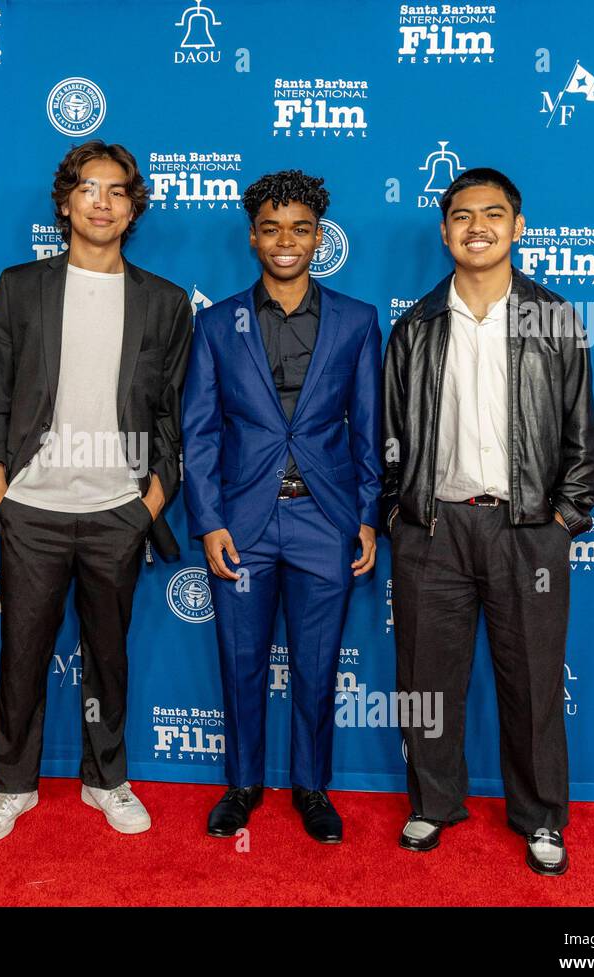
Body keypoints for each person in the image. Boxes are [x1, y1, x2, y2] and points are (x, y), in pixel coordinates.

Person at [0, 140, 192, 842]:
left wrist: (148, 503)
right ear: (65, 202)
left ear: (132, 208)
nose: (102, 200)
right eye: (88, 188)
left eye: (117, 190)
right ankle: (11, 784)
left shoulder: (164, 301)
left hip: (116, 511)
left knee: (109, 656)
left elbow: (172, 418)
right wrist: (1, 488)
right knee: (21, 654)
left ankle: (106, 778)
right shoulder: (21, 287)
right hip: (31, 506)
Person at [383, 167, 594, 876]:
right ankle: (433, 802)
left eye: (493, 213)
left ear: (518, 226)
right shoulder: (414, 327)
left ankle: (540, 817)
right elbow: (389, 437)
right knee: (427, 679)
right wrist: (399, 513)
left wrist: (563, 518)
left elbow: (581, 436)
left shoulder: (554, 318)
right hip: (434, 530)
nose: (477, 226)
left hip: (527, 530)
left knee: (535, 680)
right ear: (444, 230)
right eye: (462, 215)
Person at [183, 170, 382, 843]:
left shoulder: (358, 321)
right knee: (239, 658)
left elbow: (369, 426)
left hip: (325, 519)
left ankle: (311, 785)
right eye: (271, 228)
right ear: (252, 237)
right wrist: (208, 518)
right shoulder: (215, 324)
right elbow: (200, 431)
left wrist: (366, 514)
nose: (285, 240)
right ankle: (241, 783)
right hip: (243, 524)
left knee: (317, 663)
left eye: (299, 228)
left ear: (319, 237)